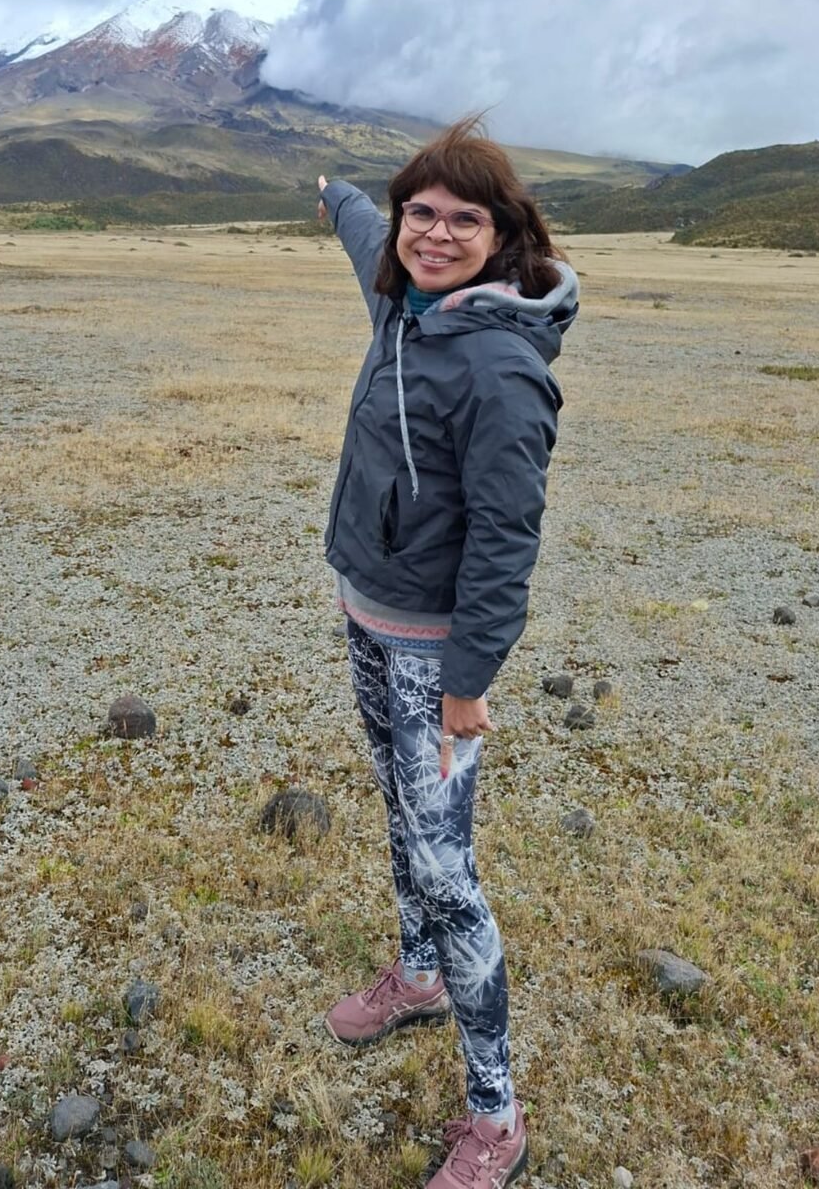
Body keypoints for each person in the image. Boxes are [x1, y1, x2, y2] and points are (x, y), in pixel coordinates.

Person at [316, 117, 579, 1189]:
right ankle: (418, 976)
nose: (432, 232)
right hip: (370, 617)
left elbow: (509, 541)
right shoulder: (406, 312)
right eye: (419, 212)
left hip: (436, 659)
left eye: (462, 218)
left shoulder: (501, 366)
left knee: (447, 871)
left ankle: (495, 1116)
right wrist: (332, 190)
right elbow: (363, 238)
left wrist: (469, 680)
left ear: (503, 234)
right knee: (395, 811)